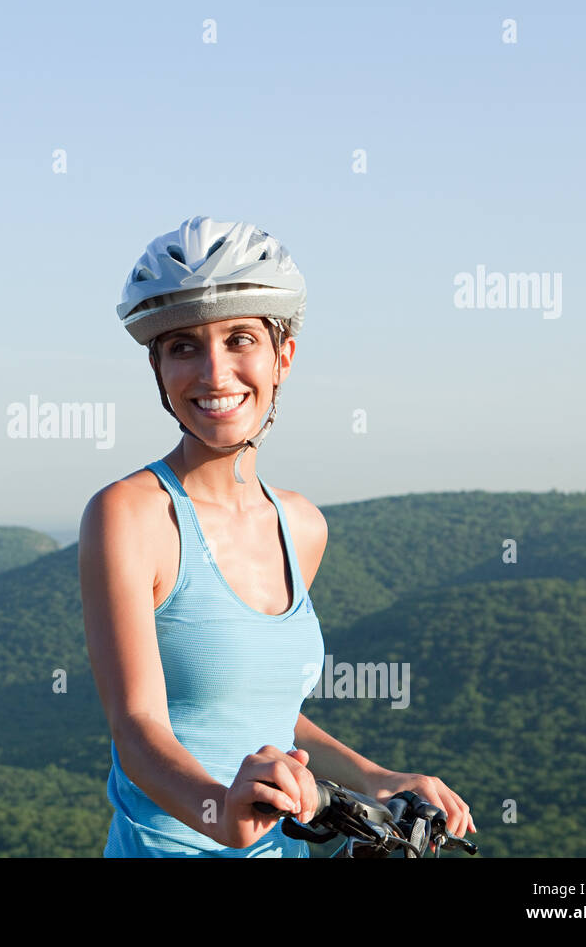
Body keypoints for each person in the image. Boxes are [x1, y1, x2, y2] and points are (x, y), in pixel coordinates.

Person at [80, 215, 475, 856]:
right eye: (183, 347)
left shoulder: (303, 526)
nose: (214, 372)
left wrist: (378, 779)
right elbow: (138, 727)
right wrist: (219, 813)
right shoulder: (129, 513)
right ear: (158, 369)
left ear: (283, 355)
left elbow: (255, 705)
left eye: (240, 339)